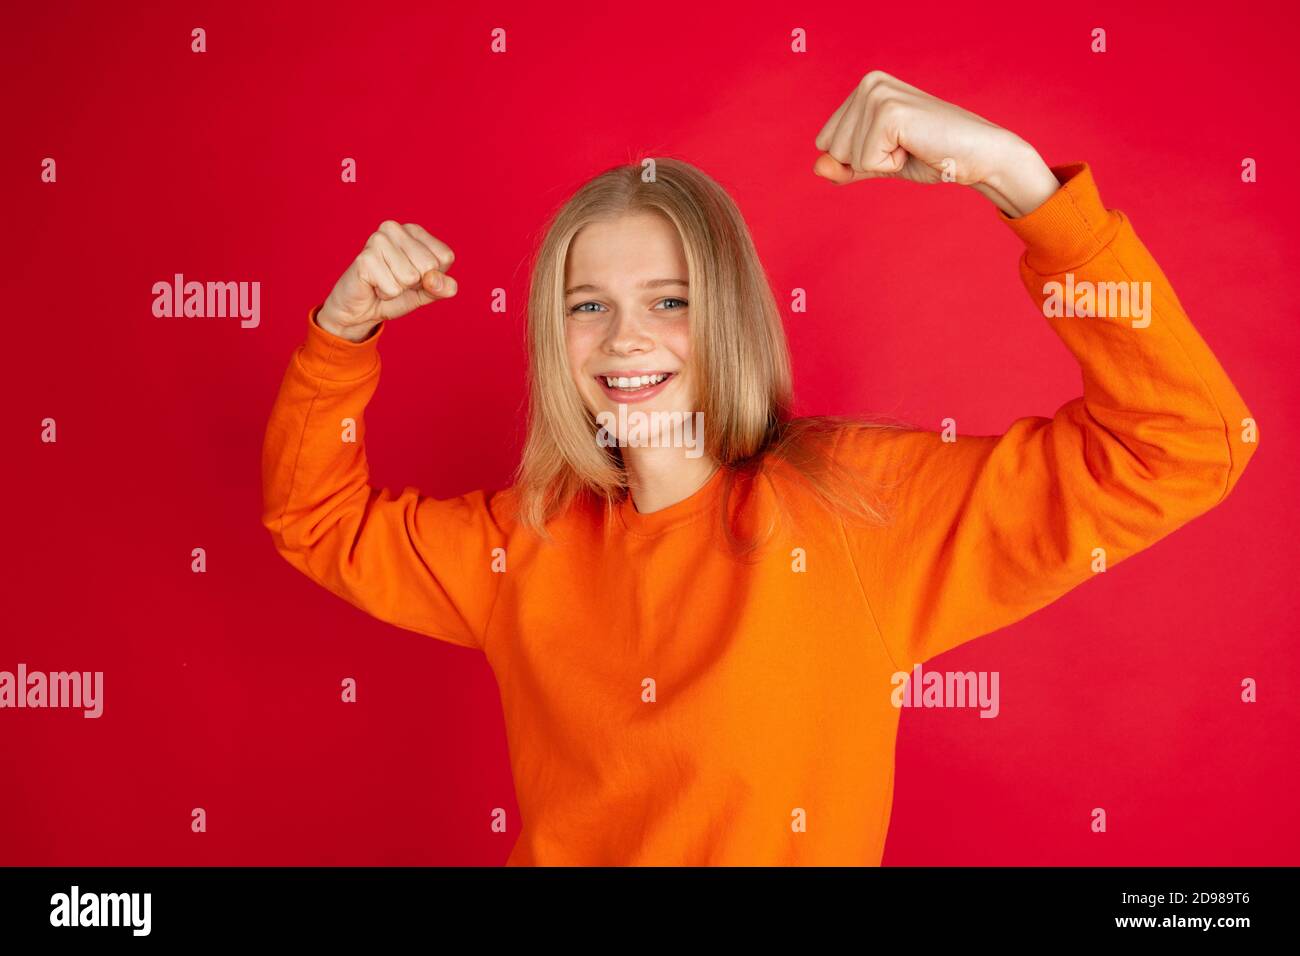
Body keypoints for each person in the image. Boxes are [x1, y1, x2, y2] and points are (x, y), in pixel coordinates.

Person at [260, 71, 1256, 865]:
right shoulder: (517, 541)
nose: (624, 338)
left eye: (671, 300)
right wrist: (345, 333)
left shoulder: (857, 506)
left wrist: (1016, 178)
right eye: (586, 304)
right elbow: (315, 519)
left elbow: (1183, 445)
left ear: (728, 314)